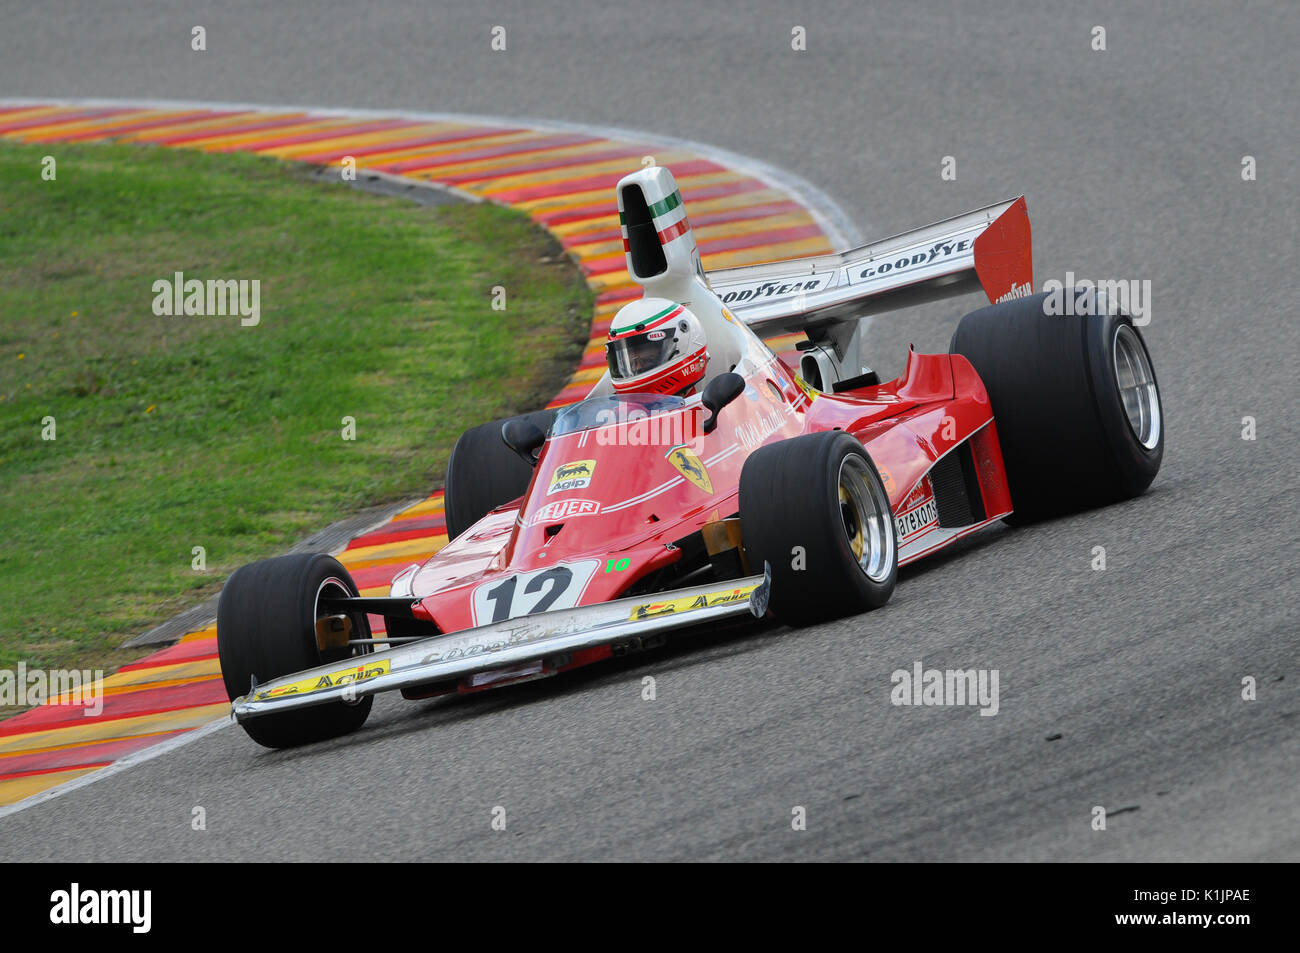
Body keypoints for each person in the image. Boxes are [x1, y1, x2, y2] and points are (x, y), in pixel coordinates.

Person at [603, 297, 710, 397]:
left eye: (647, 359)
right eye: (631, 364)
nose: (638, 368)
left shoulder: (714, 413)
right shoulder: (613, 413)